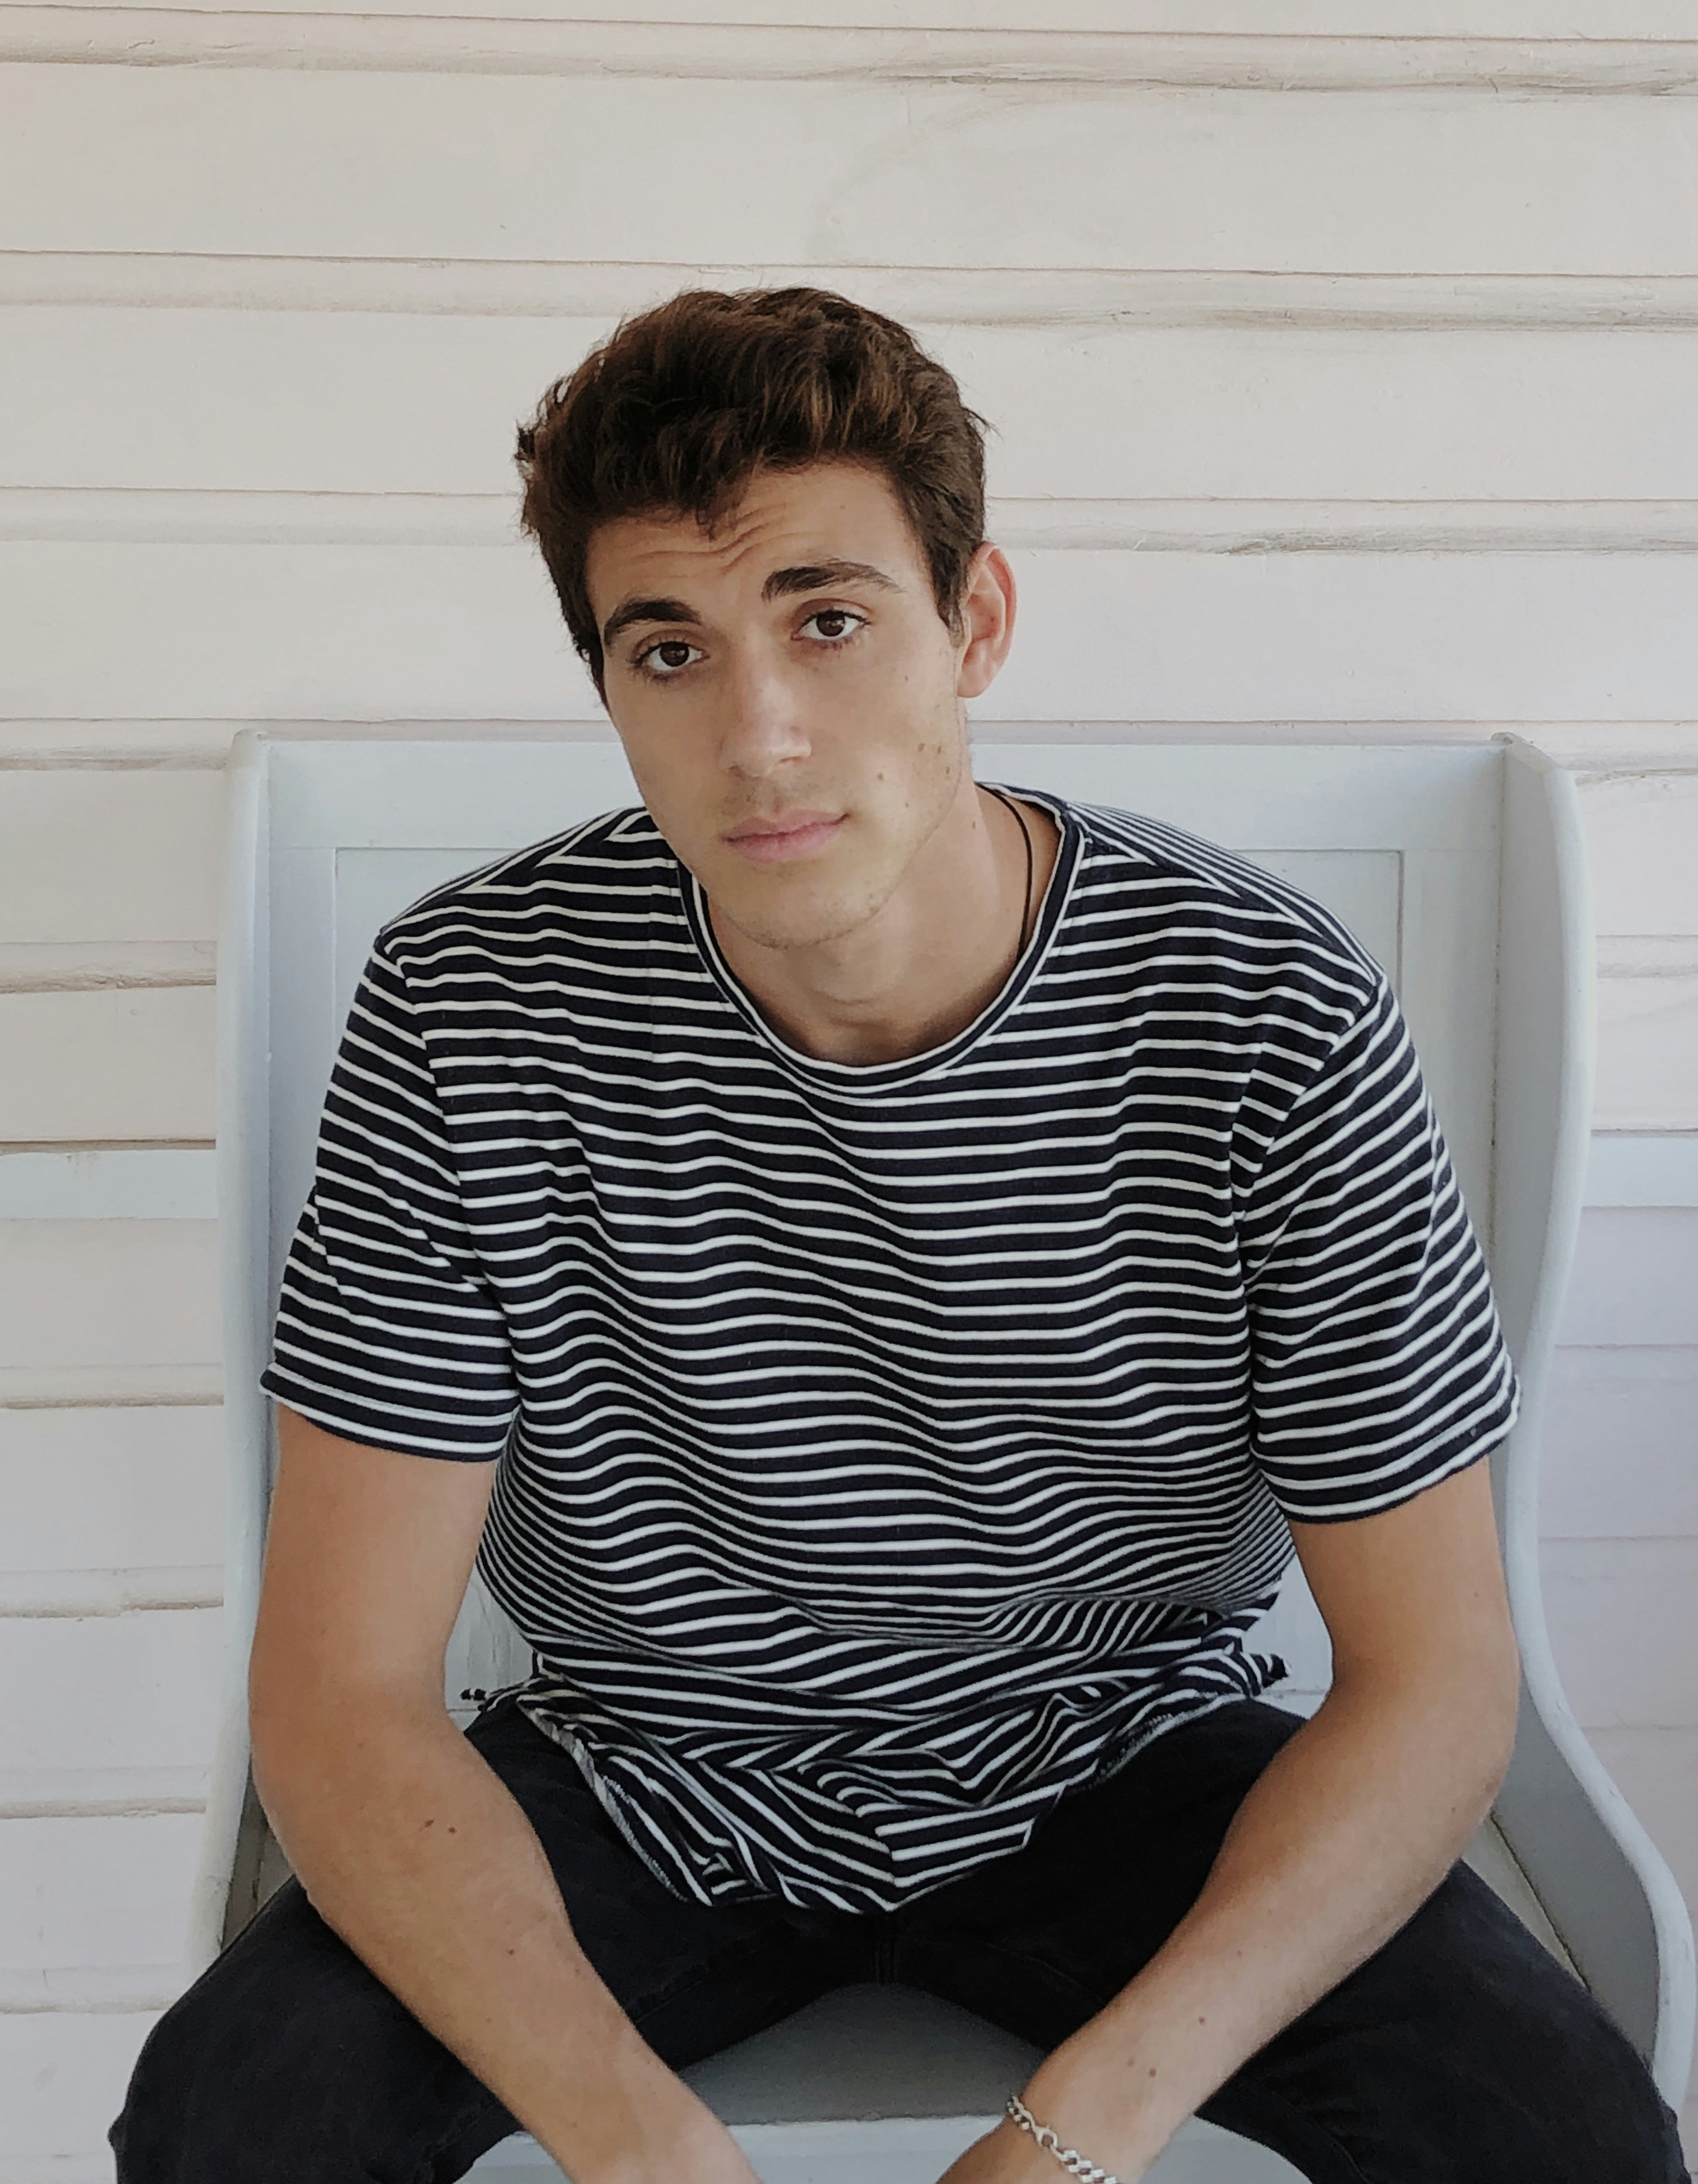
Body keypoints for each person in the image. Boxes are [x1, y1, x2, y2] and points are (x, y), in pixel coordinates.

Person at [110, 286, 1688, 2184]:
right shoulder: (472, 1006)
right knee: (236, 2121)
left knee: (1558, 2140)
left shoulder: (1265, 1006)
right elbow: (343, 1691)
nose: (759, 734)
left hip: (1123, 1752)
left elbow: (1437, 1682)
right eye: (669, 650)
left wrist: (1073, 2136)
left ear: (977, 621)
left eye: (831, 622)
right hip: (645, 1769)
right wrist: (640, 2148)